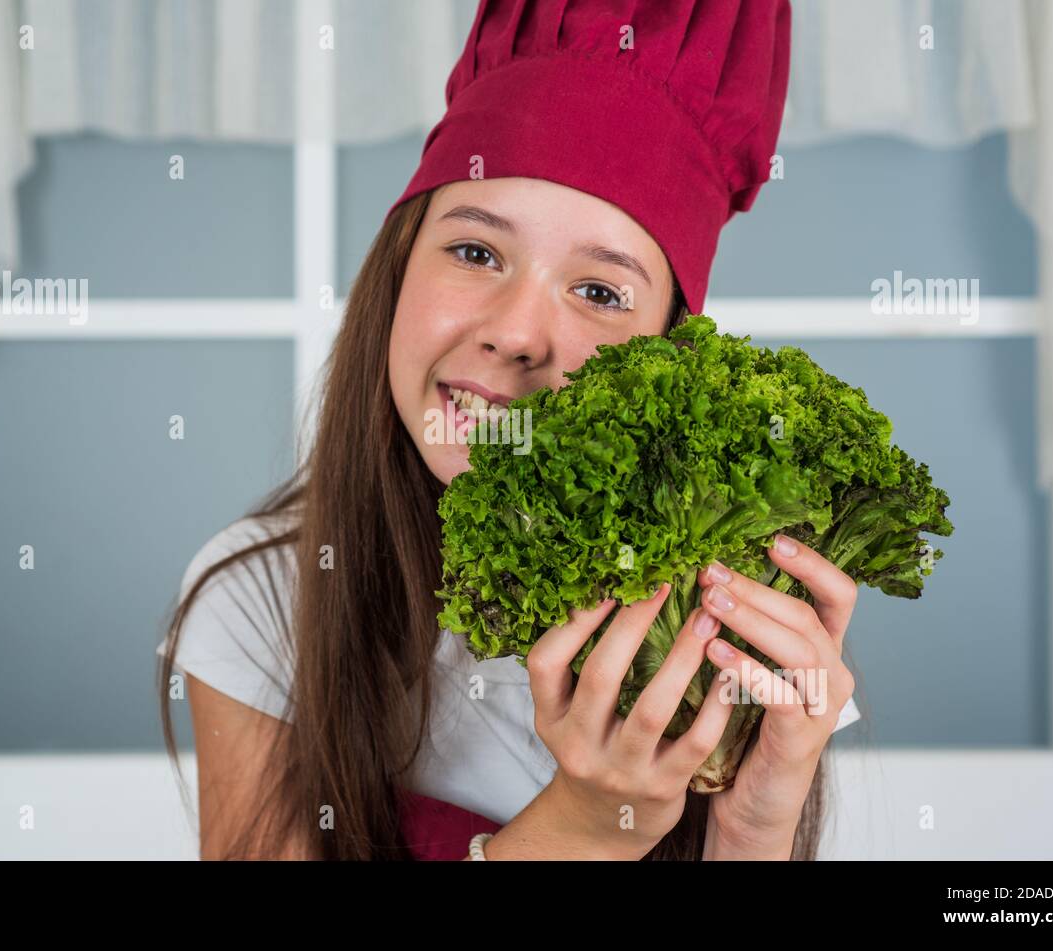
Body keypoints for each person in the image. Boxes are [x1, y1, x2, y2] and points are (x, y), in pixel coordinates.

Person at [157, 0, 859, 861]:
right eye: (477, 252)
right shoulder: (267, 600)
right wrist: (582, 829)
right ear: (398, 267)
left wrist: (754, 830)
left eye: (599, 292)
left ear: (670, 363)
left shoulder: (717, 631)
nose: (518, 333)